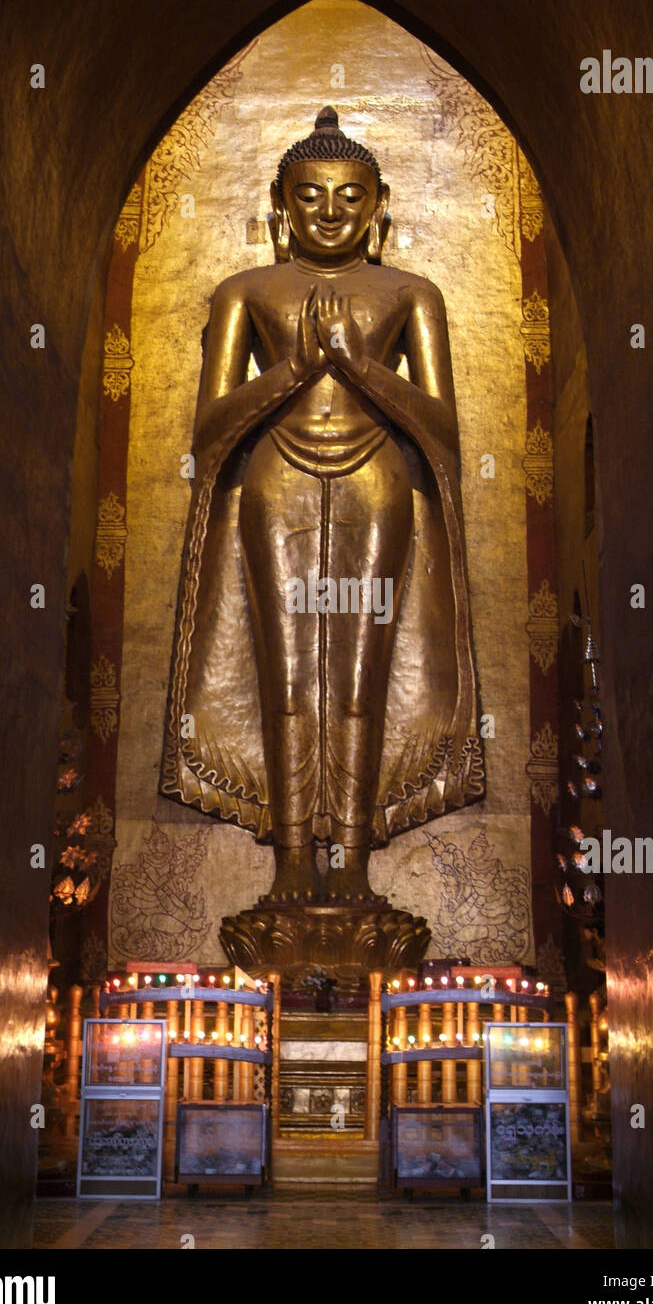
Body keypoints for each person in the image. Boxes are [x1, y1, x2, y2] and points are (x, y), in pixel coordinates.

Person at [162, 108, 484, 902]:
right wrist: (295, 370)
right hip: (277, 476)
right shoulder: (244, 292)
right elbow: (208, 438)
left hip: (377, 478)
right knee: (283, 665)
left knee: (361, 669)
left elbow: (442, 432)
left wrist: (360, 369)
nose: (330, 212)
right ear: (280, 207)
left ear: (379, 208)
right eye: (309, 196)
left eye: (349, 196)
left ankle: (352, 862)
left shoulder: (410, 294)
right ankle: (290, 862)